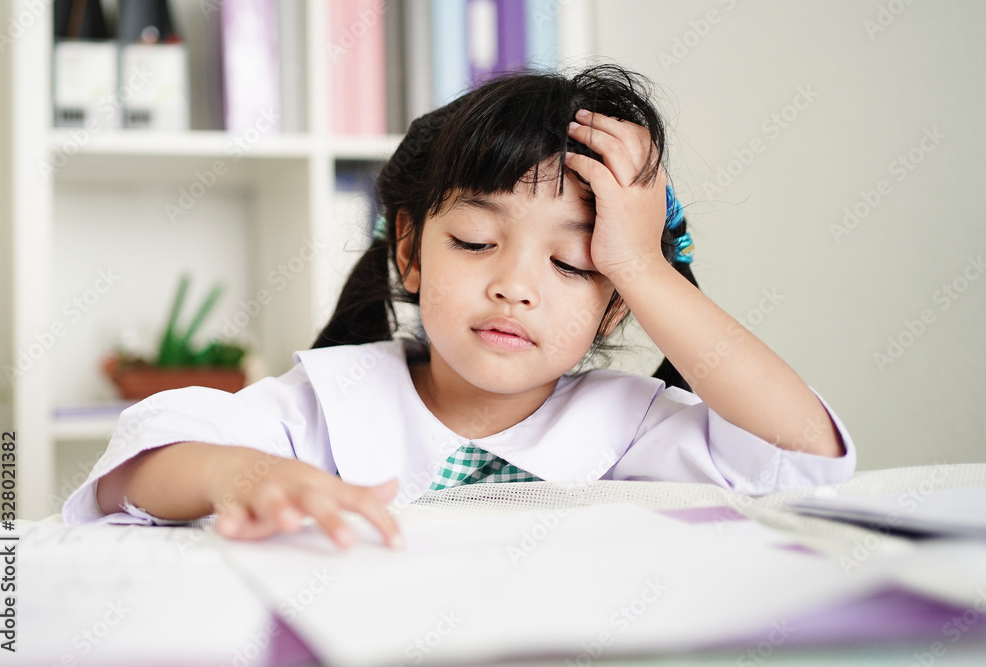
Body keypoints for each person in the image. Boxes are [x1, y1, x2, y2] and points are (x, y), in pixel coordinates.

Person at [63, 64, 856, 551]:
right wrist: (242, 473)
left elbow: (806, 456)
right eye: (476, 241)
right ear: (410, 249)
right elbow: (141, 466)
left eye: (572, 262)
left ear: (616, 305)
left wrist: (643, 264)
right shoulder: (331, 403)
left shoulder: (632, 424)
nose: (515, 284)